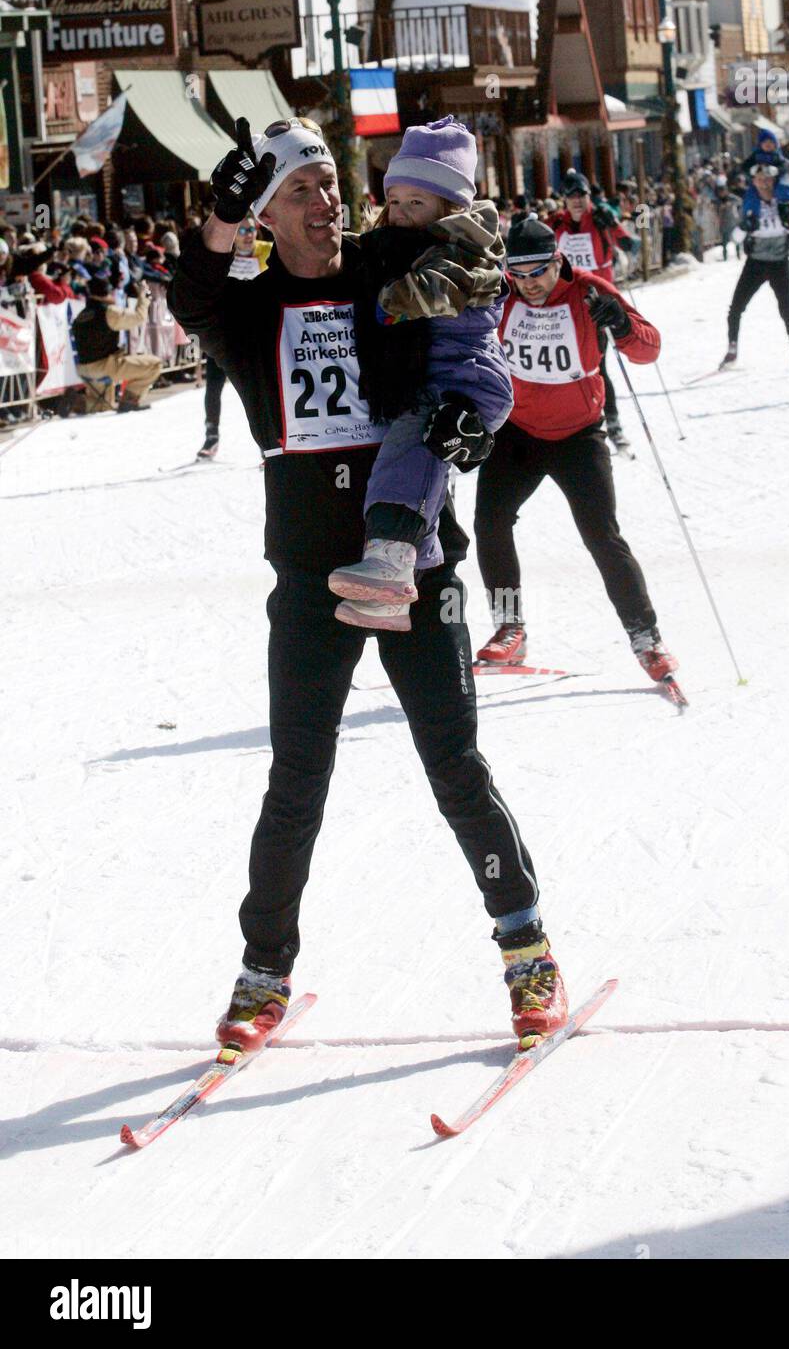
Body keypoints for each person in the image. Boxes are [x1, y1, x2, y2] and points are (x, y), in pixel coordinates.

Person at [169, 117, 568, 1052]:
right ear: (269, 214)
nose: (328, 201)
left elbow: (471, 276)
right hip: (312, 576)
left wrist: (471, 421)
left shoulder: (383, 270)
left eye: (329, 184)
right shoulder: (251, 305)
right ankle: (263, 972)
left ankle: (528, 949)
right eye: (303, 190)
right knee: (295, 781)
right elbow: (193, 293)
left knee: (456, 766)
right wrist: (221, 221)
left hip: (420, 564)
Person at [472, 215, 681, 690]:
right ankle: (510, 626)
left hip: (578, 436)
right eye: (518, 274)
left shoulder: (589, 291)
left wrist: (622, 324)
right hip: (518, 431)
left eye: (538, 273)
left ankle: (645, 636)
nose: (528, 285)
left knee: (602, 535)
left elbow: (649, 350)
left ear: (558, 261)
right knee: (490, 520)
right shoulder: (501, 294)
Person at [325, 116, 513, 631]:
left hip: (468, 379)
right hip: (434, 377)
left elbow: (426, 291)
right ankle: (398, 583)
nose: (402, 213)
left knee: (409, 454)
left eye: (418, 203)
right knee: (411, 462)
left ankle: (389, 561)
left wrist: (384, 301)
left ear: (449, 208)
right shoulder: (399, 243)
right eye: (397, 200)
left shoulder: (466, 251)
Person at [548, 170, 635, 454]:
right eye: (570, 196)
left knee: (597, 365)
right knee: (567, 366)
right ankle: (570, 422)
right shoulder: (556, 224)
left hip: (600, 304)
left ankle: (612, 423)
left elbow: (629, 242)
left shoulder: (600, 220)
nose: (576, 201)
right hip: (566, 307)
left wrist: (617, 228)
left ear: (588, 196)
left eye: (581, 195)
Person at [720, 164, 789, 372]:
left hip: (780, 263)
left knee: (787, 311)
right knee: (735, 308)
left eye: (768, 179)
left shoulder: (785, 199)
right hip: (755, 263)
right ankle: (732, 349)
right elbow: (735, 238)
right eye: (759, 179)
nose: (764, 183)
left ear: (774, 180)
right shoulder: (750, 203)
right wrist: (744, 227)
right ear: (753, 182)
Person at [197, 215, 272, 459]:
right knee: (214, 385)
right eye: (242, 231)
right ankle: (211, 437)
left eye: (251, 229)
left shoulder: (268, 251)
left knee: (258, 389)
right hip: (225, 333)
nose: (248, 235)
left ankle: (267, 443)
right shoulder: (222, 257)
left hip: (256, 333)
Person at [71, 274, 162, 412]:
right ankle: (129, 401)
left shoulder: (80, 316)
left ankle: (75, 403)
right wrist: (143, 298)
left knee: (103, 406)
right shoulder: (108, 312)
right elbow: (138, 318)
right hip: (105, 366)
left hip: (84, 369)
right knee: (155, 364)